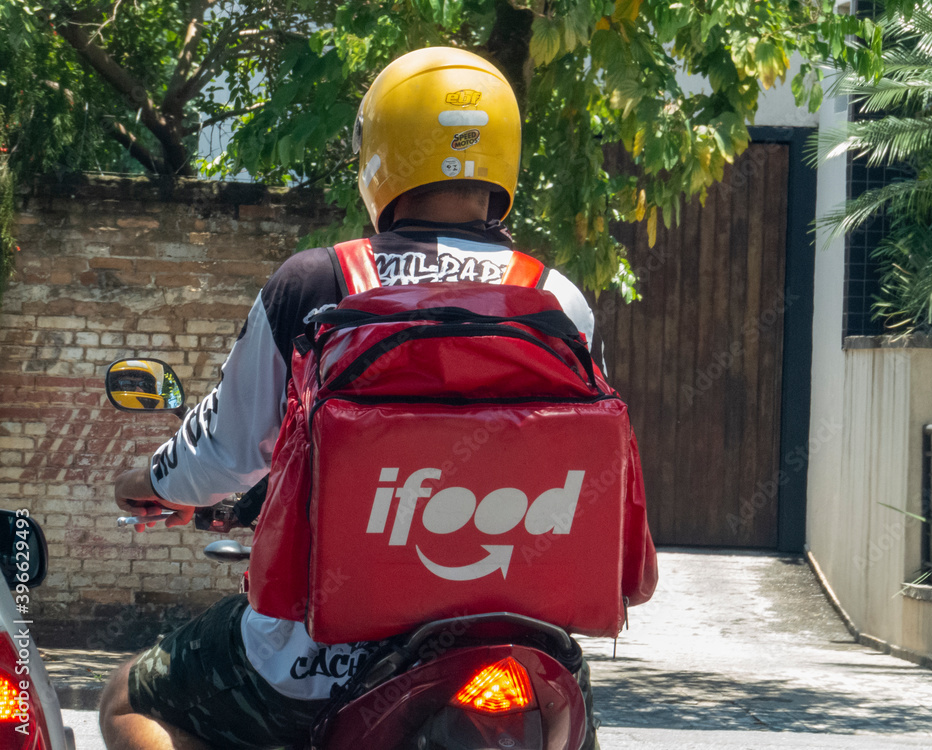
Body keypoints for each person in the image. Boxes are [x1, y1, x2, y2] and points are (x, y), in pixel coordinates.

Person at [100, 47, 600, 750]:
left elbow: (228, 452)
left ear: (380, 153)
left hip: (318, 659)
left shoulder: (319, 282)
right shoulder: (557, 298)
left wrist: (149, 481)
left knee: (128, 698)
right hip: (518, 644)